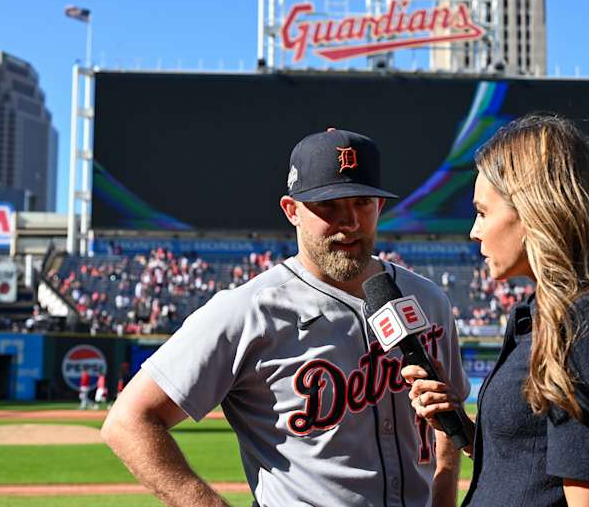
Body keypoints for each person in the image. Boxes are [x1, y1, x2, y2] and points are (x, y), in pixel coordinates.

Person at [102, 128, 469, 507]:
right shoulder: (248, 311)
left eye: (362, 202)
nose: (350, 221)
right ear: (292, 211)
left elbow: (446, 422)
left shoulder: (426, 299)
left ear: (379, 207)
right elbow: (128, 421)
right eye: (328, 205)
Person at [403, 114, 589, 507]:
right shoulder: (541, 314)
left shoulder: (586, 321)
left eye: (483, 212)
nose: (474, 231)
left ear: (533, 212)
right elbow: (528, 467)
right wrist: (462, 427)